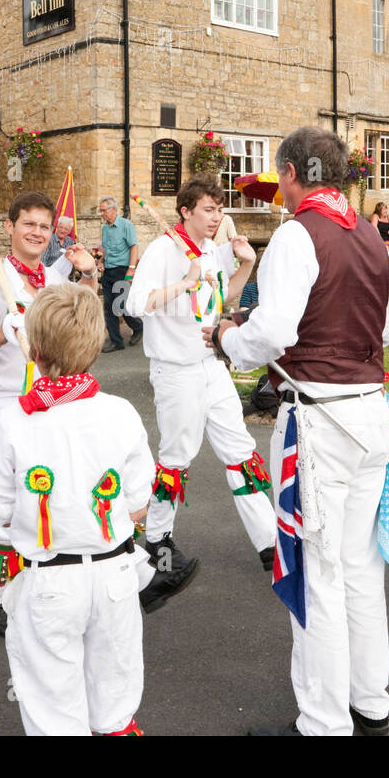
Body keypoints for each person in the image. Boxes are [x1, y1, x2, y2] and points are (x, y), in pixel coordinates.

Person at [204, 126, 389, 736]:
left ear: (292, 173)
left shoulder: (297, 232)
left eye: (281, 178)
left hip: (320, 416)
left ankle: (322, 720)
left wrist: (227, 338)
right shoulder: (368, 233)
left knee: (318, 570)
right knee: (359, 565)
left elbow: (275, 332)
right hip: (370, 409)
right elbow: (386, 331)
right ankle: (371, 701)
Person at [0, 283, 155, 735]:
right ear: (95, 346)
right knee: (114, 706)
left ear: (33, 349)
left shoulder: (12, 419)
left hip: (49, 581)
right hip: (115, 576)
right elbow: (138, 501)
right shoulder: (121, 413)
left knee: (55, 712)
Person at [0, 191, 99, 635]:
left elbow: (83, 319)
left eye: (44, 225)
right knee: (3, 509)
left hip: (50, 405)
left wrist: (89, 274)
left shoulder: (54, 280)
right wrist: (2, 335)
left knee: (43, 497)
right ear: (10, 227)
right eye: (28, 224)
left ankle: (34, 582)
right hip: (5, 410)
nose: (37, 232)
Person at [125, 175, 274, 577]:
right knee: (175, 461)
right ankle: (157, 541)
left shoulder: (210, 249)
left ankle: (270, 544)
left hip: (212, 366)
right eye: (209, 209)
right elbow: (136, 304)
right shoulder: (161, 250)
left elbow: (223, 299)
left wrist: (247, 263)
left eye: (219, 209)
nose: (217, 217)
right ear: (186, 211)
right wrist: (184, 282)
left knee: (241, 453)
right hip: (175, 372)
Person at [96, 196, 142, 352]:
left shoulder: (126, 225)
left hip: (122, 270)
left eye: (104, 210)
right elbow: (106, 248)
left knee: (121, 305)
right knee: (109, 307)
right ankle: (116, 341)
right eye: (101, 210)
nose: (101, 213)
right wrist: (101, 261)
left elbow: (134, 247)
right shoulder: (105, 228)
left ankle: (138, 326)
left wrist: (131, 269)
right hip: (108, 270)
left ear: (113, 209)